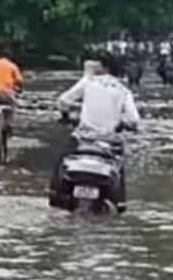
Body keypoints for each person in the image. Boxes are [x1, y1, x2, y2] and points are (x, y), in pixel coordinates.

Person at [53, 55, 141, 209]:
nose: (94, 68)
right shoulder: (123, 91)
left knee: (61, 160)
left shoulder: (88, 82)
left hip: (83, 138)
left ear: (106, 68)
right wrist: (122, 124)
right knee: (119, 168)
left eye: (98, 66)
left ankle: (55, 194)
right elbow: (134, 120)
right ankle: (120, 203)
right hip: (110, 142)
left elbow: (64, 101)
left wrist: (66, 116)